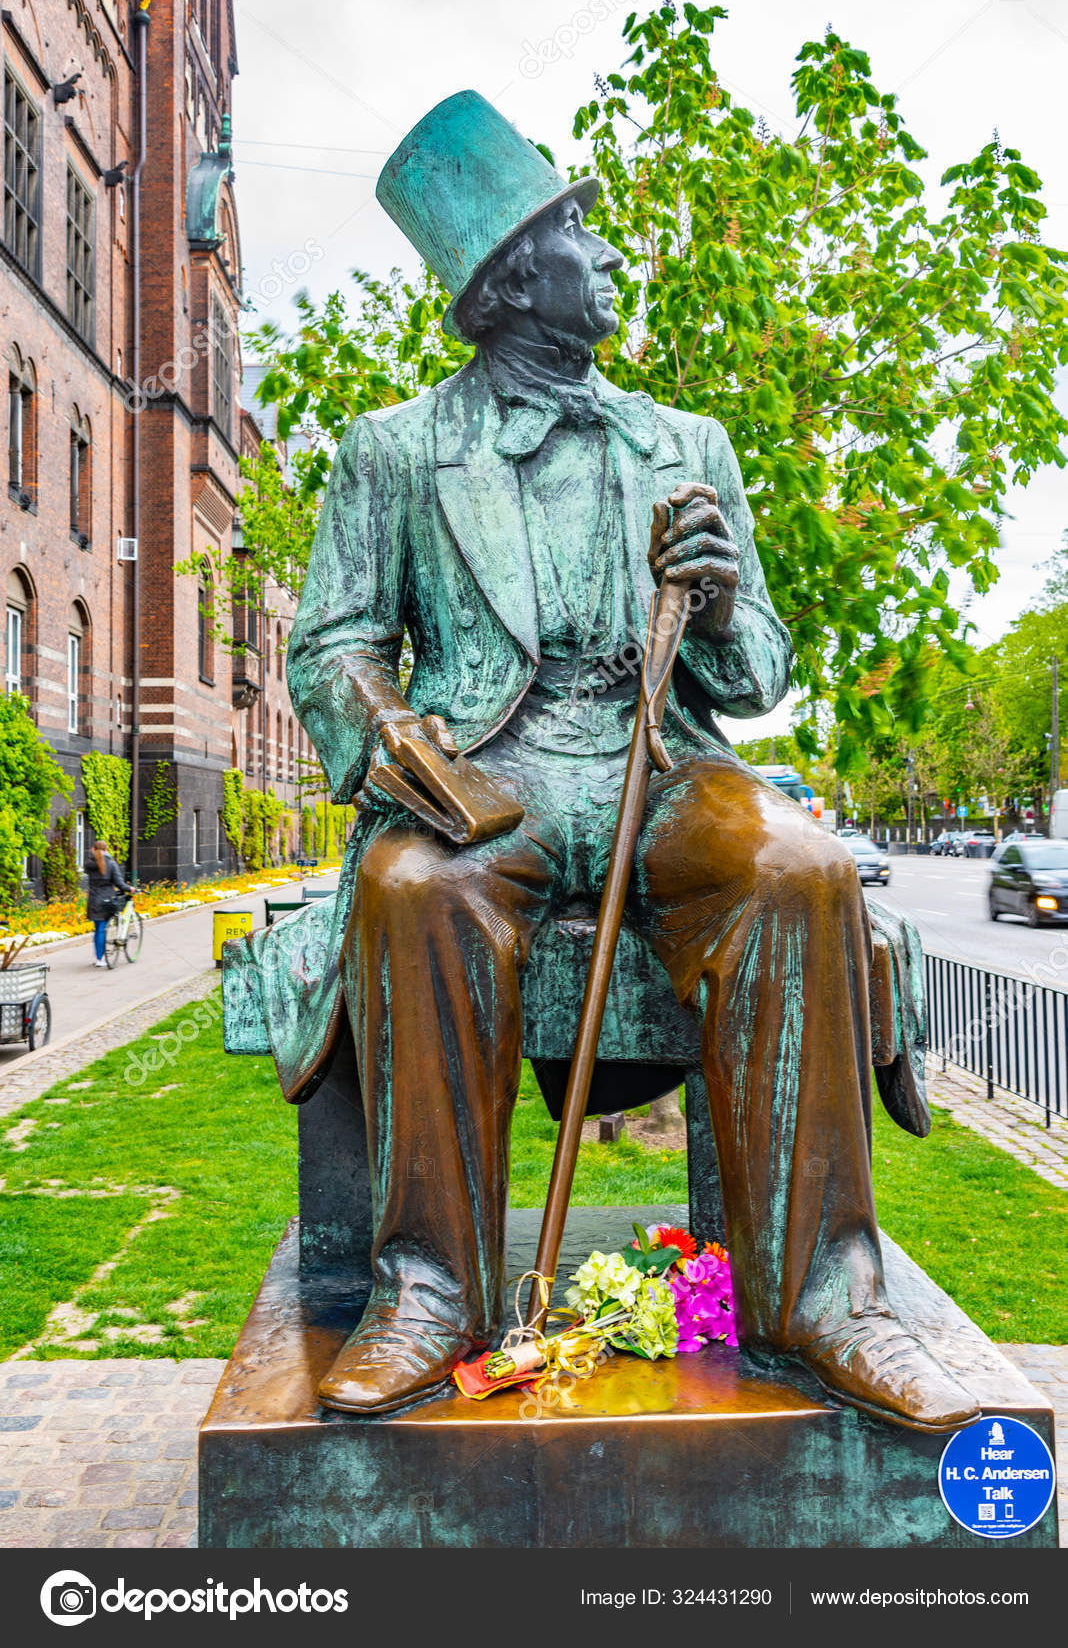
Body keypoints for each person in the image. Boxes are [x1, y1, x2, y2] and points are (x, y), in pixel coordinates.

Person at [226, 92, 977, 1433]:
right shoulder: (395, 452)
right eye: (582, 229)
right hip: (488, 774)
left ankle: (824, 1301)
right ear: (514, 276)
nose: (612, 250)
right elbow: (334, 643)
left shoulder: (689, 449)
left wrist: (728, 597)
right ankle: (432, 1293)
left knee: (799, 870)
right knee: (412, 890)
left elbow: (752, 680)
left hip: (659, 767)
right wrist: (389, 729)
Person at [86, 839, 130, 969]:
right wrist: (130, 889)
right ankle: (101, 959)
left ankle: (98, 958)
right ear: (106, 850)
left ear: (93, 849)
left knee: (97, 928)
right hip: (107, 900)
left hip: (93, 899)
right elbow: (119, 883)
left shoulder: (89, 864)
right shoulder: (111, 864)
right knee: (102, 928)